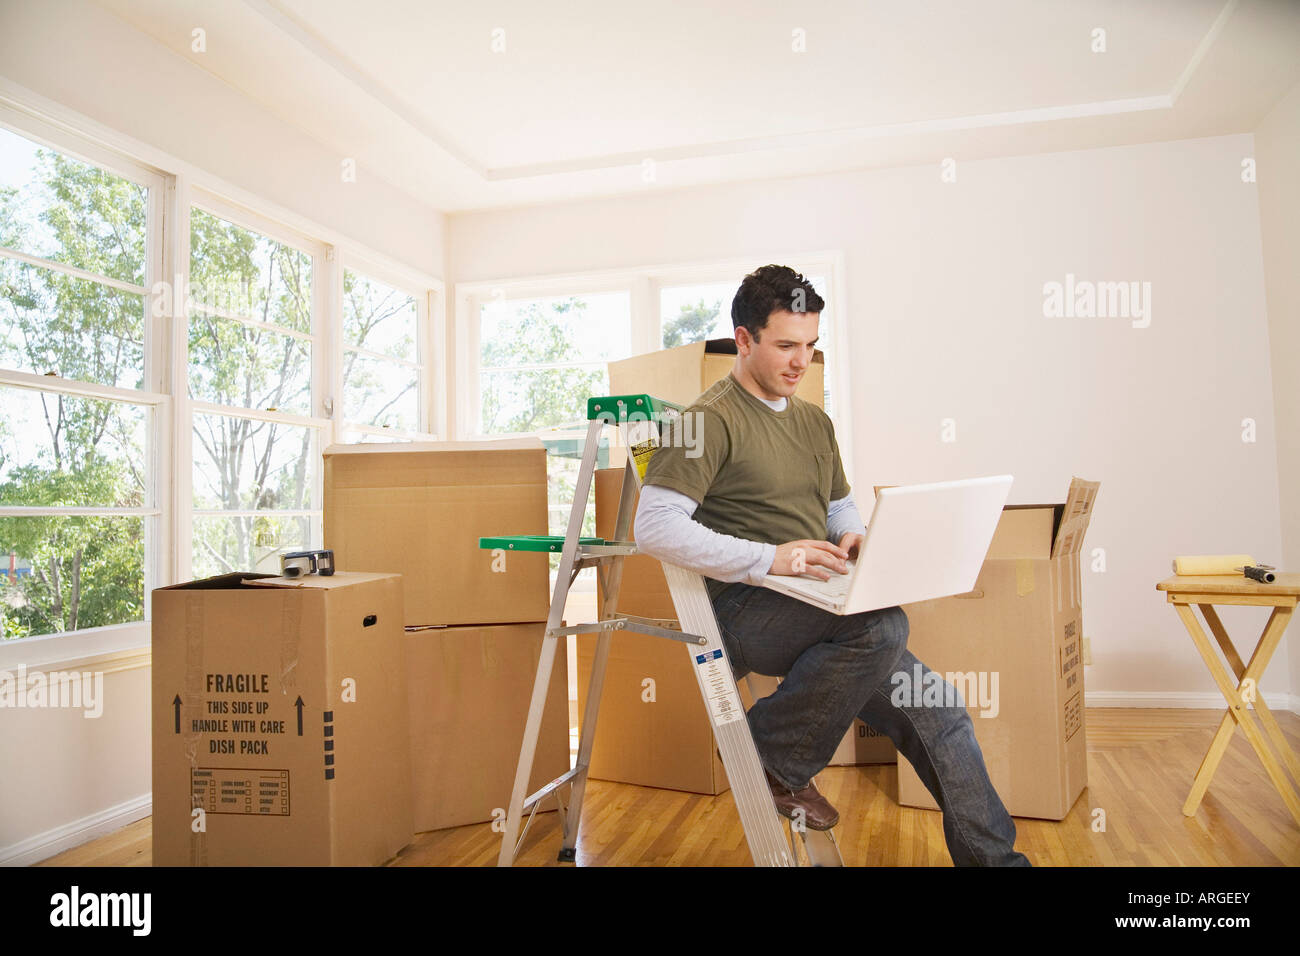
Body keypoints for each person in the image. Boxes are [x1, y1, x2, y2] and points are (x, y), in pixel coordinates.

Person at [633, 264, 1029, 866]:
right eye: (786, 345)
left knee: (941, 715)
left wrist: (853, 534)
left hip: (819, 608)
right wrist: (773, 557)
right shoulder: (704, 422)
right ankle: (771, 753)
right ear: (743, 339)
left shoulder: (814, 420)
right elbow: (654, 528)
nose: (801, 360)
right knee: (882, 626)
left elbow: (838, 501)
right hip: (743, 608)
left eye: (812, 345)